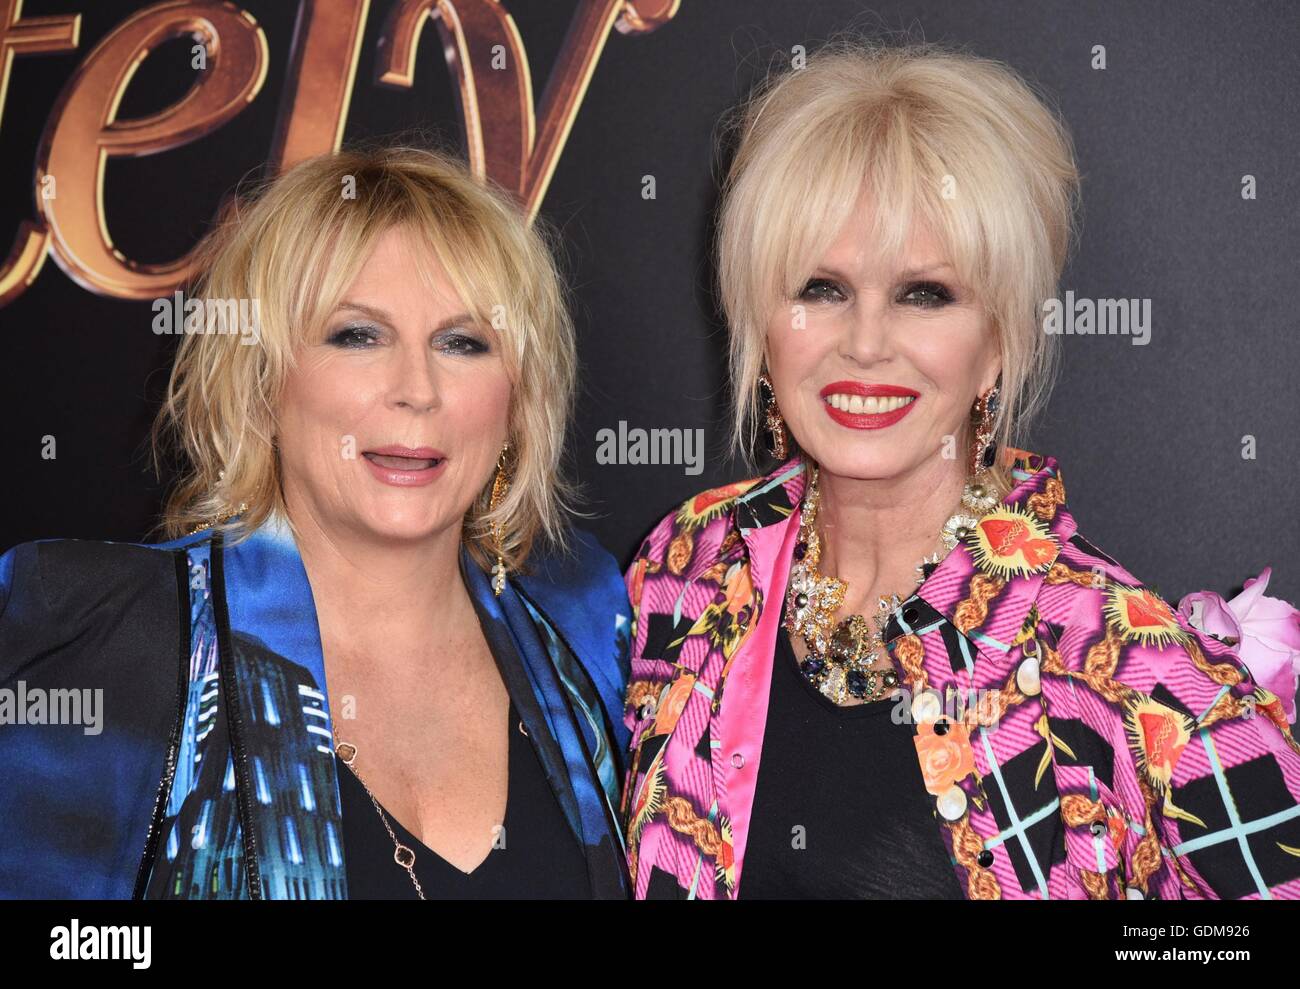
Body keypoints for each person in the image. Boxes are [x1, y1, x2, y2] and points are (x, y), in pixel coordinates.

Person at [618, 39, 1300, 900]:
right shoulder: (688, 568)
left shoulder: (1109, 651)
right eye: (820, 288)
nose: (865, 342)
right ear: (761, 324)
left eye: (925, 293)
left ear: (999, 347)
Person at [0, 144, 631, 899]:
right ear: (262, 381)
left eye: (462, 343)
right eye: (357, 335)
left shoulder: (587, 625)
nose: (416, 390)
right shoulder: (101, 638)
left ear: (517, 404)